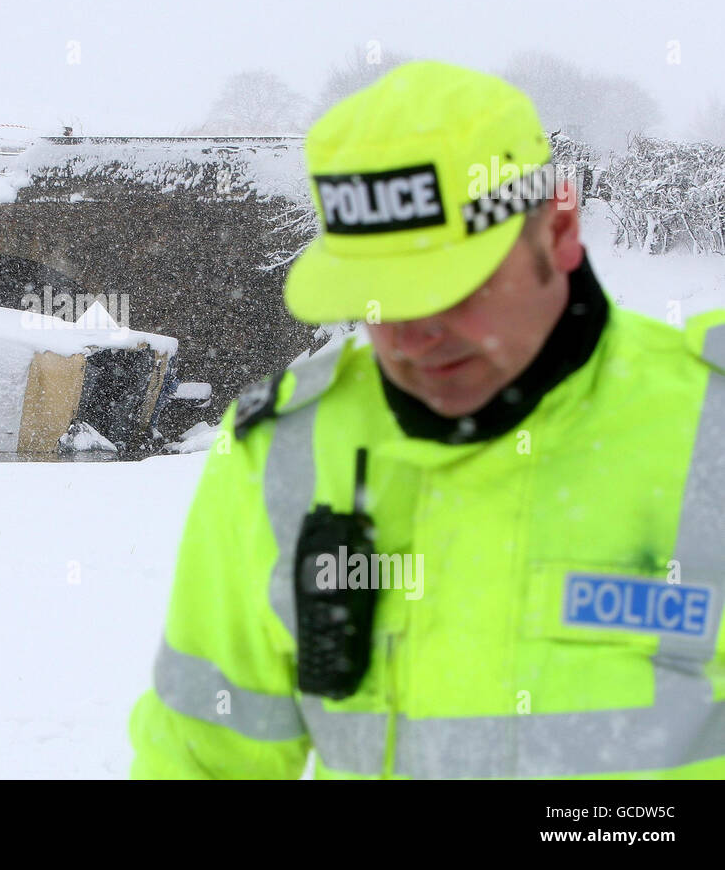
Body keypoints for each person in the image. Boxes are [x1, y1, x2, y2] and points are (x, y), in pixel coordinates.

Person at [129, 60, 725, 780]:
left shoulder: (708, 423)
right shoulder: (281, 454)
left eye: (450, 287)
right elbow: (202, 758)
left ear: (559, 227)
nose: (410, 335)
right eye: (377, 296)